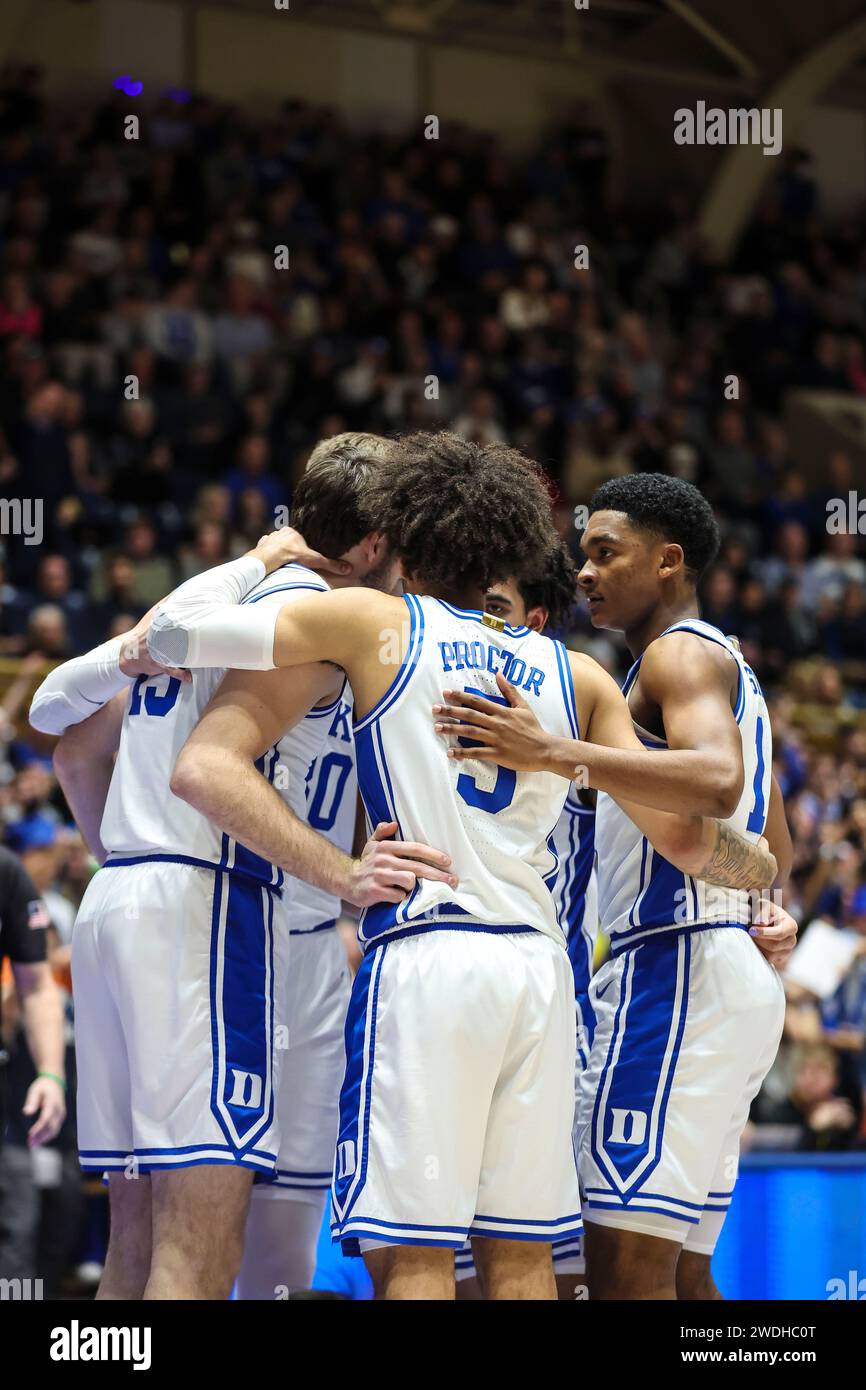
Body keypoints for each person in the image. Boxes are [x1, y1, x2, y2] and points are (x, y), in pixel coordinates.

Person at [149, 432, 778, 1301]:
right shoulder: (579, 675)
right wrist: (763, 882)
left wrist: (269, 556)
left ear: (404, 532)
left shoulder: (372, 621)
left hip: (431, 954)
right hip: (539, 978)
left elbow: (176, 642)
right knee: (519, 1259)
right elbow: (690, 837)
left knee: (415, 1257)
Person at [31, 515, 450, 1302]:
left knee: (147, 1229)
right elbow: (162, 756)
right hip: (233, 917)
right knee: (215, 1241)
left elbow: (66, 741)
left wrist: (117, 857)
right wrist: (351, 880)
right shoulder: (280, 626)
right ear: (375, 545)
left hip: (190, 912)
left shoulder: (202, 611)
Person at [427, 472, 796, 1300]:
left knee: (622, 1275)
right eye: (582, 554)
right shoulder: (733, 665)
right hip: (723, 969)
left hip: (675, 975)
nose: (585, 571)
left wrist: (557, 752)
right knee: (684, 1272)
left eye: (605, 553)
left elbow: (716, 780)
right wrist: (764, 909)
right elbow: (777, 846)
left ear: (668, 561)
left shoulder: (676, 653)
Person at [454, 557, 597, 1301]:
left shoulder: (578, 713)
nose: (479, 622)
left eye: (496, 606)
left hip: (548, 1003)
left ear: (533, 622)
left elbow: (690, 818)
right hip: (456, 980)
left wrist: (751, 902)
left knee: (542, 1266)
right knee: (456, 1262)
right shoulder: (427, 696)